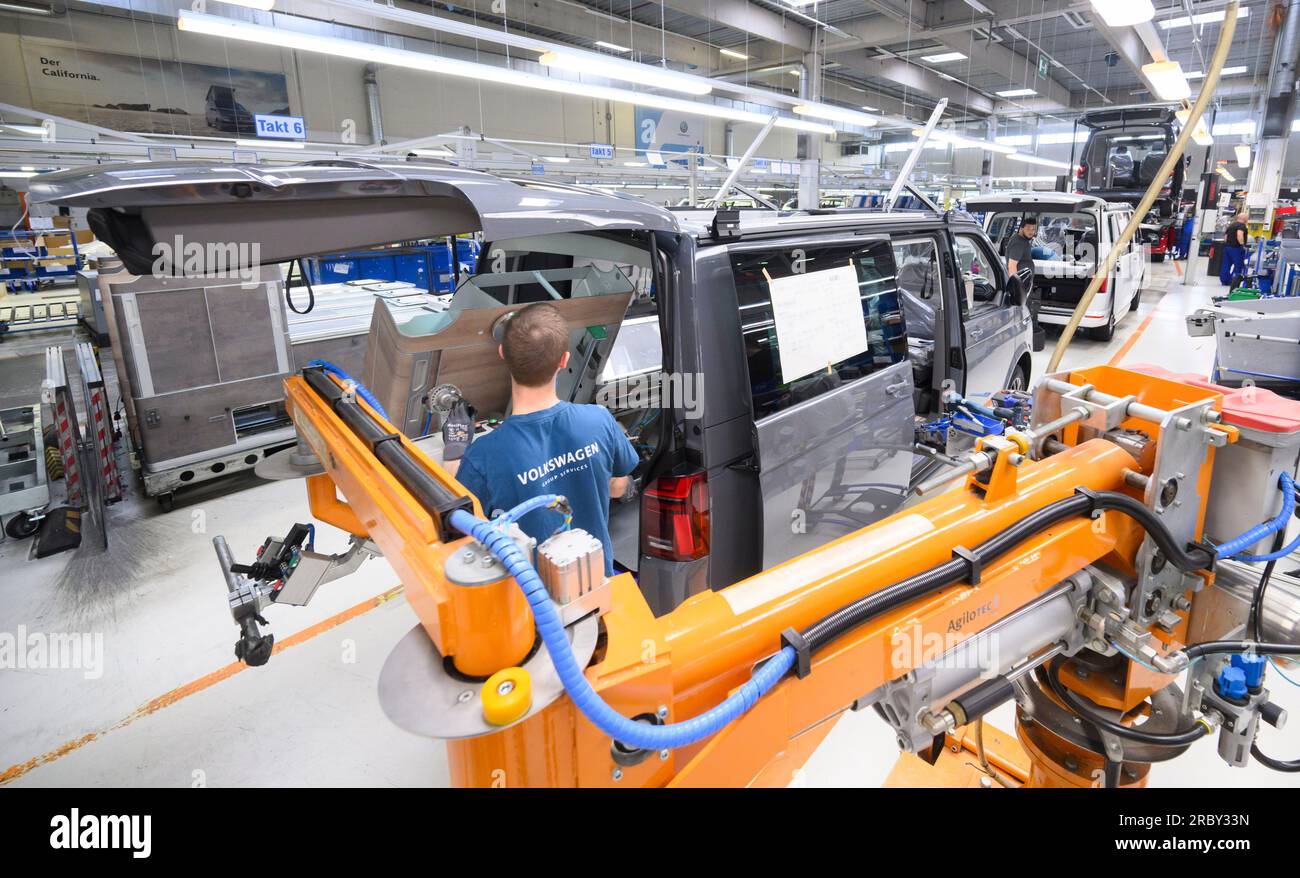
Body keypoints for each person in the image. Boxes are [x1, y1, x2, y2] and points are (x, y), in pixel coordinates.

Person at [455, 302, 638, 577]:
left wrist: (453, 451)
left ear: (502, 353)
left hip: (533, 600)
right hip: (598, 584)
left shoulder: (482, 456)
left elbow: (459, 524)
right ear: (564, 361)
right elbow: (618, 487)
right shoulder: (599, 420)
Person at [1220, 212, 1250, 288]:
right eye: (1247, 218)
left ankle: (1224, 280)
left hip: (1227, 248)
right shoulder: (1242, 226)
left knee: (1226, 265)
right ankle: (1234, 281)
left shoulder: (1231, 225)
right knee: (1238, 265)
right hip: (1236, 249)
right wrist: (1242, 244)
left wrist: (1228, 244)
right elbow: (1239, 234)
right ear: (1244, 219)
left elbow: (1226, 237)